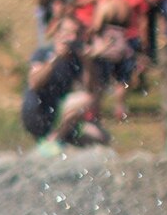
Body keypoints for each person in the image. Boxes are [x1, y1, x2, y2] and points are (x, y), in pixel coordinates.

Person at [21, 15, 105, 149]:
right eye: (67, 33)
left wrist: (88, 62)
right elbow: (34, 83)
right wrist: (55, 59)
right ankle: (53, 141)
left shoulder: (76, 59)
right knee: (86, 99)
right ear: (57, 33)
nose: (71, 38)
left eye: (76, 34)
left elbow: (90, 89)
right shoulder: (43, 53)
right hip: (37, 113)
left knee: (99, 137)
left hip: (58, 113)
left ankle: (62, 139)